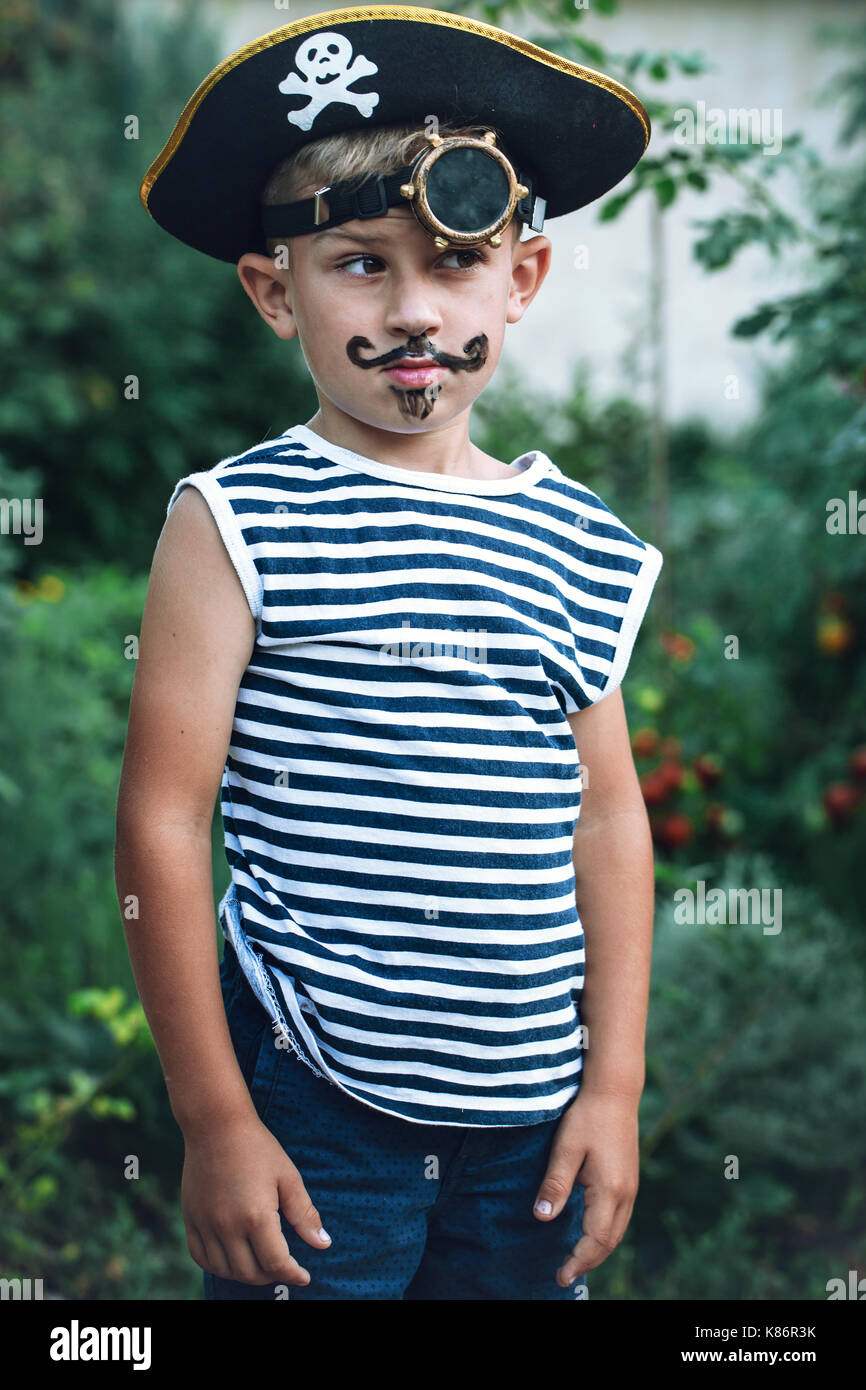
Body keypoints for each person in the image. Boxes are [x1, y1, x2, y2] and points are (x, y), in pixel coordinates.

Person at [117, 6, 663, 1300]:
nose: (414, 311)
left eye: (455, 263)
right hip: (315, 1101)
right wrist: (216, 1119)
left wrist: (615, 1083)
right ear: (274, 289)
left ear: (519, 280)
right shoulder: (236, 523)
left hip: (531, 1117)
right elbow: (161, 822)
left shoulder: (577, 540)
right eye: (359, 264)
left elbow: (606, 817)